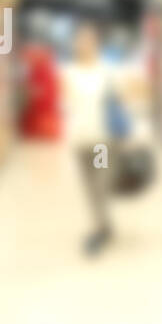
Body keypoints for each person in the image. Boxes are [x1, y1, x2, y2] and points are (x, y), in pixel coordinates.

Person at [62, 24, 117, 255]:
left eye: (88, 40)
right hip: (79, 139)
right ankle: (102, 224)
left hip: (101, 140)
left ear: (95, 44)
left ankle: (101, 228)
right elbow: (66, 104)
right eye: (80, 40)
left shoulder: (106, 71)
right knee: (88, 186)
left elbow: (117, 102)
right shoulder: (69, 72)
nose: (83, 44)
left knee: (101, 184)